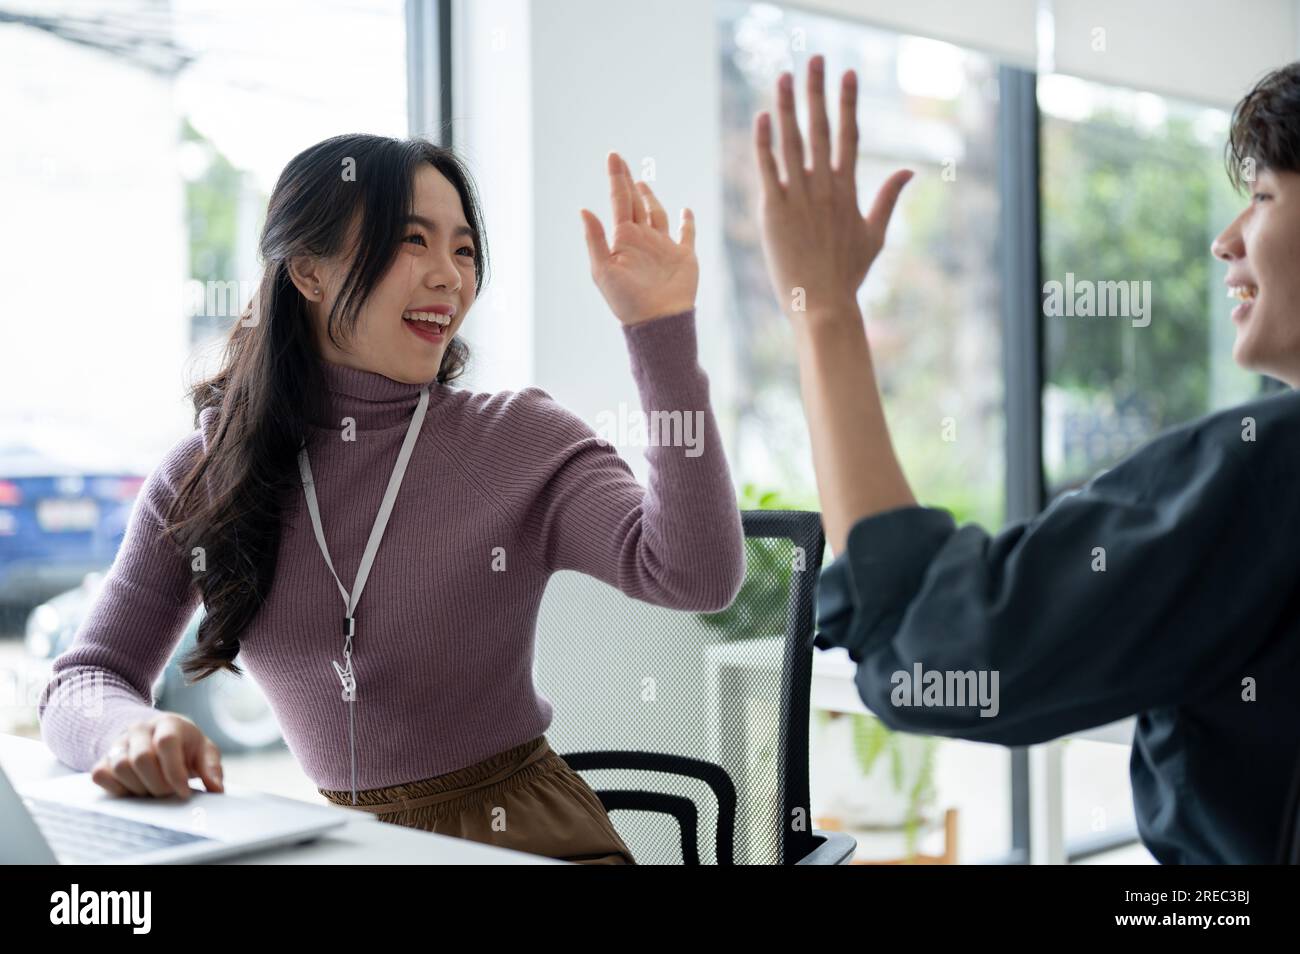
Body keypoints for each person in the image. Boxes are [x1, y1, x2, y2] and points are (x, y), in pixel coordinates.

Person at [37, 134, 746, 865]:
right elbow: (87, 678)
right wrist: (126, 731)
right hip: (346, 846)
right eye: (412, 241)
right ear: (308, 271)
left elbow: (694, 573)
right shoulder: (210, 475)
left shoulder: (520, 440)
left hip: (526, 844)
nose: (449, 277)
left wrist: (659, 335)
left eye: (465, 251)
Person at [753, 55, 1300, 864]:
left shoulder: (1271, 472)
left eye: (1262, 197)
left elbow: (933, 652)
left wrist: (823, 307)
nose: (1226, 242)